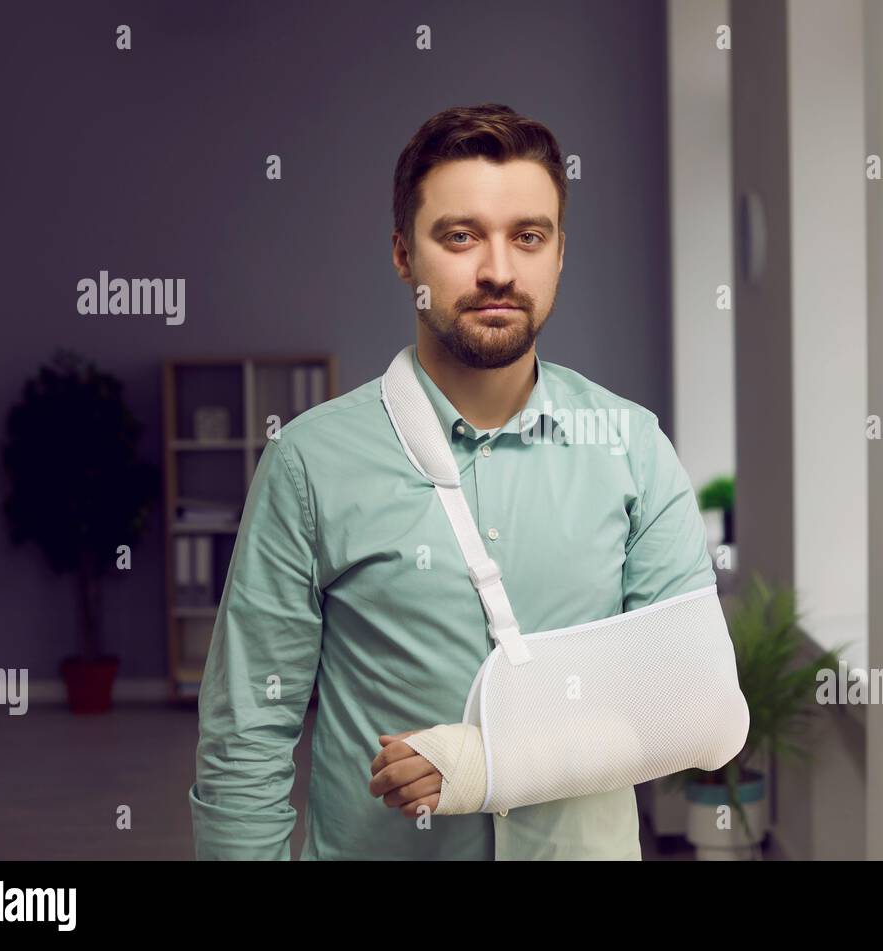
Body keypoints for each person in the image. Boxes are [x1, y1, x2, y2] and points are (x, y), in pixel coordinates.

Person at [188, 103, 716, 860]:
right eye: (460, 236)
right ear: (404, 255)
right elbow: (247, 734)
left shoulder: (633, 448)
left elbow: (694, 707)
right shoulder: (310, 463)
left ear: (560, 252)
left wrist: (481, 762)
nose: (498, 268)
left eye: (529, 236)